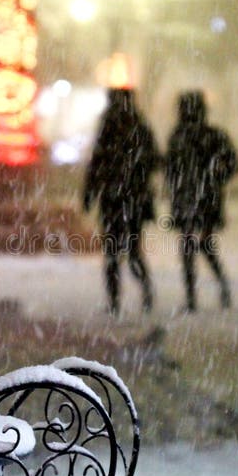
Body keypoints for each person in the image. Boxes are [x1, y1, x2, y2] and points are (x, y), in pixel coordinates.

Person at [83, 87, 161, 315]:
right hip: (134, 200)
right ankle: (146, 294)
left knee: (112, 255)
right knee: (133, 251)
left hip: (113, 201)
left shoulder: (108, 129)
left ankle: (115, 301)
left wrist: (90, 193)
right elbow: (155, 160)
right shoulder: (139, 127)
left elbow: (96, 164)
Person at [166, 90, 238, 312]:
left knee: (191, 248)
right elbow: (232, 164)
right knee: (203, 247)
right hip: (206, 199)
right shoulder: (213, 135)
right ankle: (220, 288)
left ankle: (193, 298)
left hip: (190, 199)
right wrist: (216, 178)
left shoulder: (179, 137)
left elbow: (172, 171)